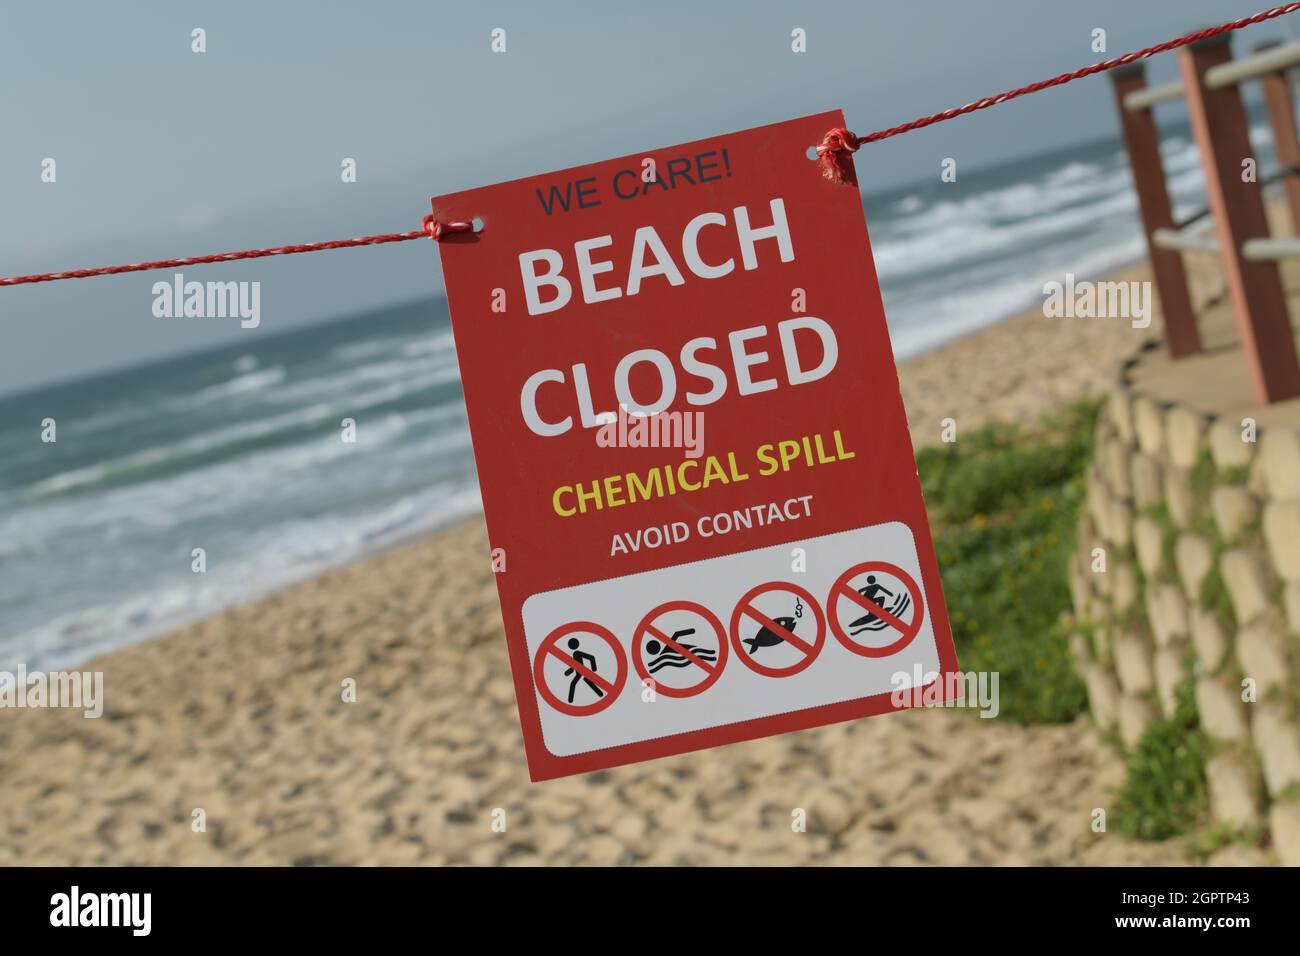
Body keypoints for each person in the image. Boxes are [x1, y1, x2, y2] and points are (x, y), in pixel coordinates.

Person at [564, 637, 604, 703]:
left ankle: (600, 694)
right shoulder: (575, 654)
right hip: (579, 673)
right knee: (575, 683)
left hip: (583, 672)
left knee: (578, 683)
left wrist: (594, 669)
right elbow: (574, 665)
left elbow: (591, 657)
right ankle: (600, 694)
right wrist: (568, 672)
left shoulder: (577, 653)